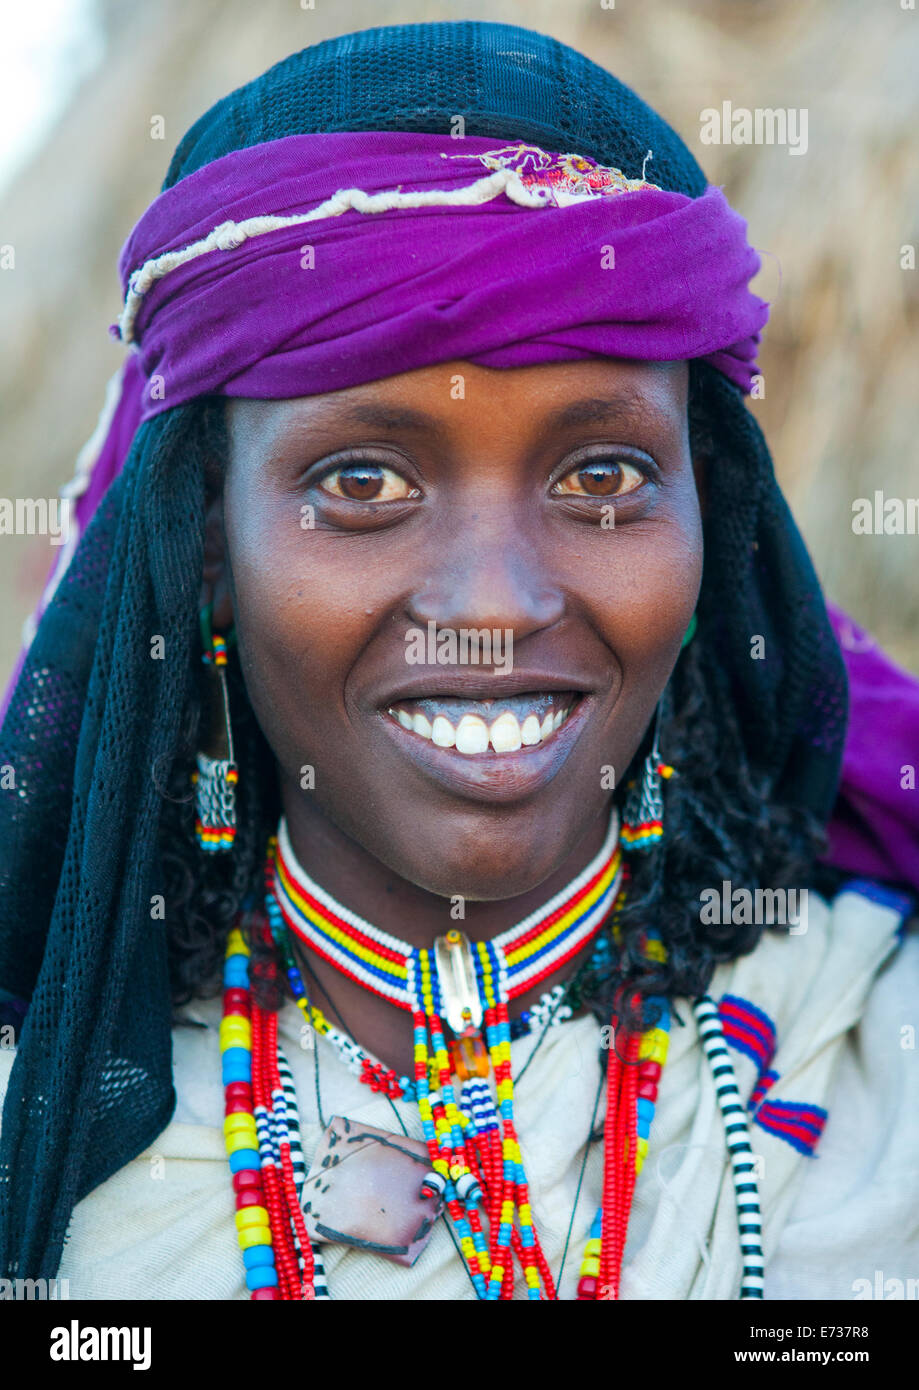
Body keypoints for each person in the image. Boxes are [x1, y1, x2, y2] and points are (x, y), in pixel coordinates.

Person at [0, 20, 916, 1301]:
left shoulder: (878, 1056)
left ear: (709, 516)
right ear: (207, 542)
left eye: (601, 474)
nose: (493, 604)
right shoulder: (41, 1138)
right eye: (361, 479)